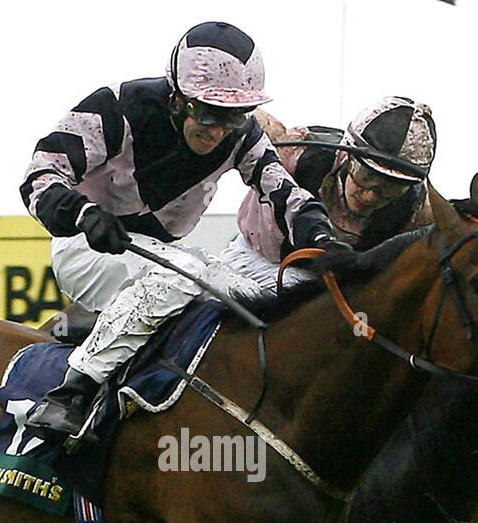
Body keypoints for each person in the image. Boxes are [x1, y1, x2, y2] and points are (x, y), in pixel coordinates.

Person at [19, 21, 346, 440]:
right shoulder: (113, 107)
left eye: (235, 116)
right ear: (177, 99)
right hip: (87, 245)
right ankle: (70, 395)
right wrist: (83, 214)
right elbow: (38, 175)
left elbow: (283, 193)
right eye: (210, 114)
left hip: (159, 254)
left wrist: (323, 239)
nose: (219, 131)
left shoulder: (241, 136)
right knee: (182, 271)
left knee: (256, 298)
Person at [227, 96, 437, 291]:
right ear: (347, 154)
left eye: (392, 188)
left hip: (331, 286)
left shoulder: (418, 211)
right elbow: (233, 113)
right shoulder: (297, 152)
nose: (370, 196)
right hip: (253, 260)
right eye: (366, 176)